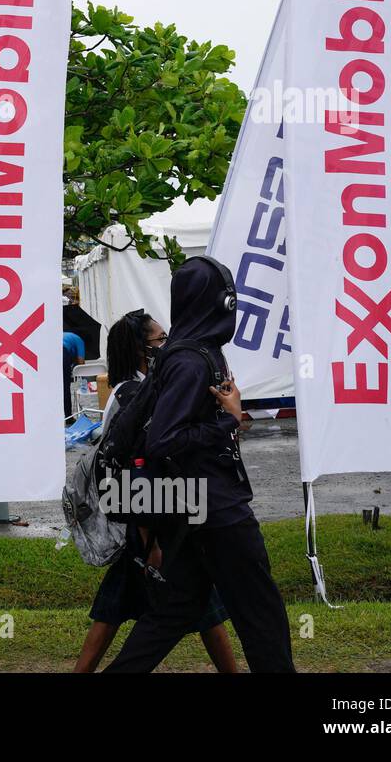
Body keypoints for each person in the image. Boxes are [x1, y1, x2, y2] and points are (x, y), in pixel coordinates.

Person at [104, 257, 294, 673]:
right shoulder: (190, 361)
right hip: (215, 507)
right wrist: (228, 418)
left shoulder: (189, 352)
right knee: (261, 613)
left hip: (196, 505)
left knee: (175, 610)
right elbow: (163, 441)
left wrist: (220, 421)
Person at [74, 310, 236, 673]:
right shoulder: (134, 395)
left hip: (149, 513)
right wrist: (153, 539)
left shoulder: (135, 390)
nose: (167, 346)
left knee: (117, 604)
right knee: (196, 601)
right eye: (160, 340)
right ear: (140, 350)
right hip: (151, 514)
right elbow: (140, 466)